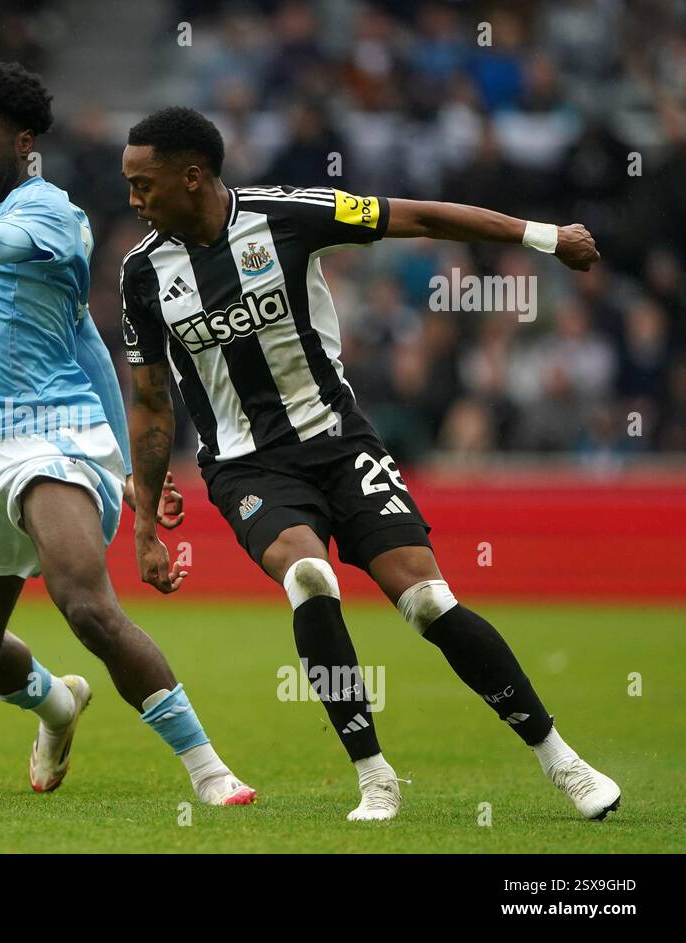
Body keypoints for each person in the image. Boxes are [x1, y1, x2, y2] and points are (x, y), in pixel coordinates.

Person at [120, 106, 620, 821]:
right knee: (308, 575)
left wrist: (545, 237)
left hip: (340, 443)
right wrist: (146, 513)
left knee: (427, 601)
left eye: (144, 185)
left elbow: (417, 217)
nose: (134, 201)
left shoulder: (291, 213)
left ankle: (562, 761)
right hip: (247, 467)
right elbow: (151, 399)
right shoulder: (141, 272)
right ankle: (374, 775)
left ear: (191, 176)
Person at [0, 64, 254, 805]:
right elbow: (88, 347)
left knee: (83, 601)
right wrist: (133, 474)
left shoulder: (51, 215)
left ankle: (209, 769)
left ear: (24, 144)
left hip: (47, 437)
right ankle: (56, 704)